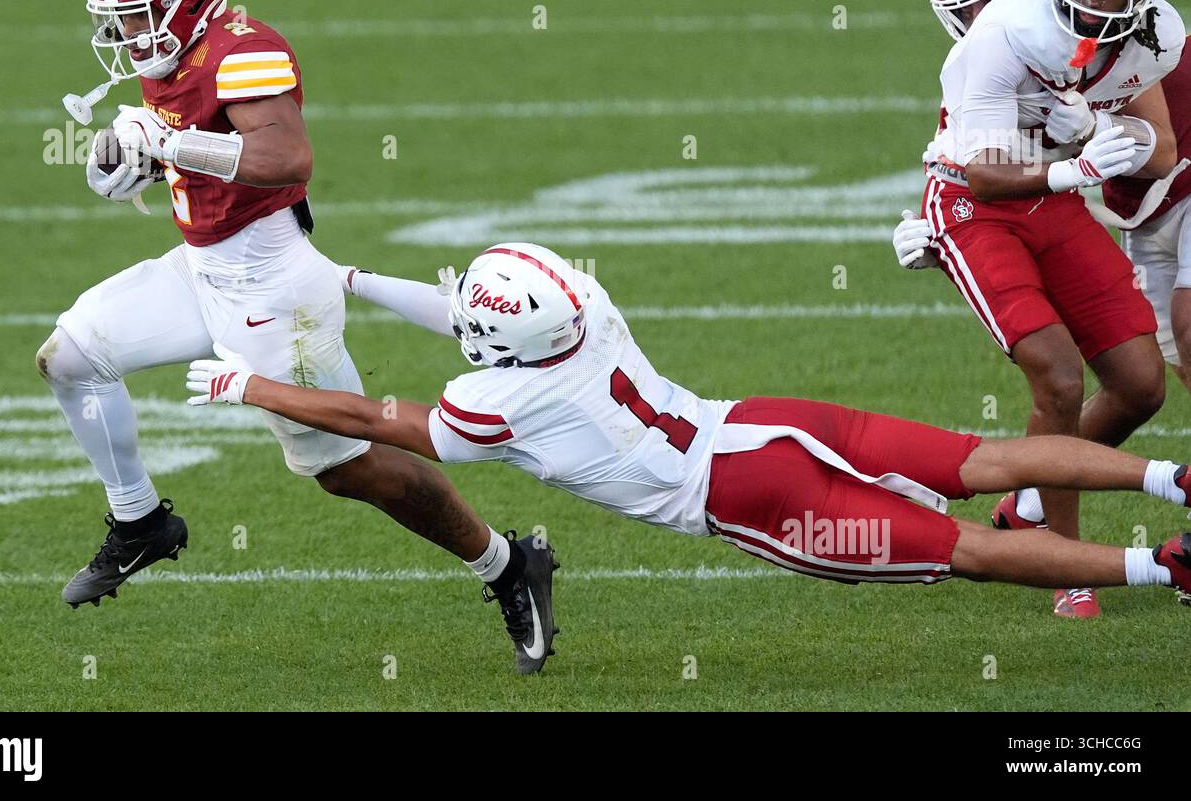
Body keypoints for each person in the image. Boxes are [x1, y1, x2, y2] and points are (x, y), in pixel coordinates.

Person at [38, 0, 555, 674]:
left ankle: (508, 564)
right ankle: (140, 519)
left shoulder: (244, 47)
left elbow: (285, 156)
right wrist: (142, 166)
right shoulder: (176, 52)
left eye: (138, 16)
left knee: (351, 467)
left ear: (188, 3)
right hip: (203, 269)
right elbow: (201, 145)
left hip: (275, 292)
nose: (127, 35)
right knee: (69, 359)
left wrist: (169, 145)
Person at [185, 244, 1191, 607]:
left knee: (964, 546)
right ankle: (1170, 480)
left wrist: (248, 387)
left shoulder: (495, 403)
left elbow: (371, 417)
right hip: (762, 421)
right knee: (976, 459)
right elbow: (465, 309)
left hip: (748, 492)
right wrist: (354, 279)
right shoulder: (583, 304)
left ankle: (1163, 567)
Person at [891, 0, 1184, 617]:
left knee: (1142, 381)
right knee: (1056, 376)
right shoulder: (1004, 35)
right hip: (979, 203)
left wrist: (1102, 136)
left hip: (1047, 199)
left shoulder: (1149, 37)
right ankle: (1065, 564)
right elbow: (982, 171)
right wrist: (1079, 162)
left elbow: (1159, 148)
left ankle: (1025, 502)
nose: (1090, 1)